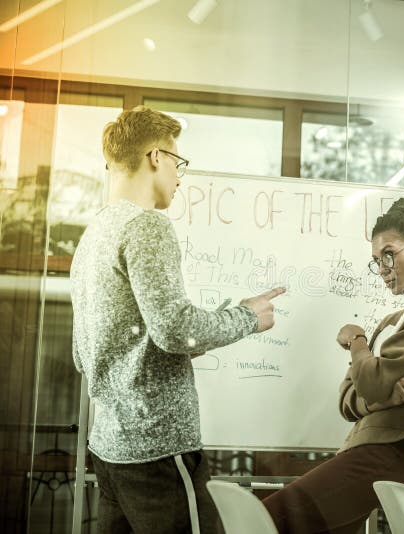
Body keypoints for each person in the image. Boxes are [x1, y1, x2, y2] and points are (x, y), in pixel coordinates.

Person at [70, 106, 285, 534]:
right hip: (158, 449)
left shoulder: (92, 236)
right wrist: (247, 317)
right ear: (155, 158)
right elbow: (175, 329)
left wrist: (188, 338)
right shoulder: (147, 225)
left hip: (111, 449)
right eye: (178, 162)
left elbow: (85, 353)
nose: (179, 176)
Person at [262, 192, 404, 533]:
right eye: (377, 261)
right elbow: (347, 398)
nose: (383, 270)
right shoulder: (392, 320)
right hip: (365, 447)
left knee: (270, 518)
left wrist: (357, 340)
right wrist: (387, 391)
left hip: (391, 451)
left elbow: (367, 380)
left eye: (389, 255)